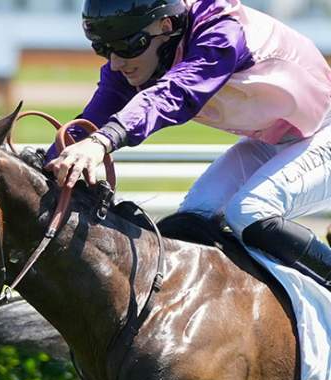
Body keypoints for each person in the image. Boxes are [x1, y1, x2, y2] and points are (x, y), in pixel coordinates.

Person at [49, 0, 331, 279]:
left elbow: (174, 95)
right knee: (192, 221)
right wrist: (44, 164)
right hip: (277, 140)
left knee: (249, 212)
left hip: (323, 132)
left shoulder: (221, 33)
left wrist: (102, 142)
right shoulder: (145, 51)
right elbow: (90, 121)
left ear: (166, 26)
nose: (116, 62)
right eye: (104, 48)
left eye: (126, 46)